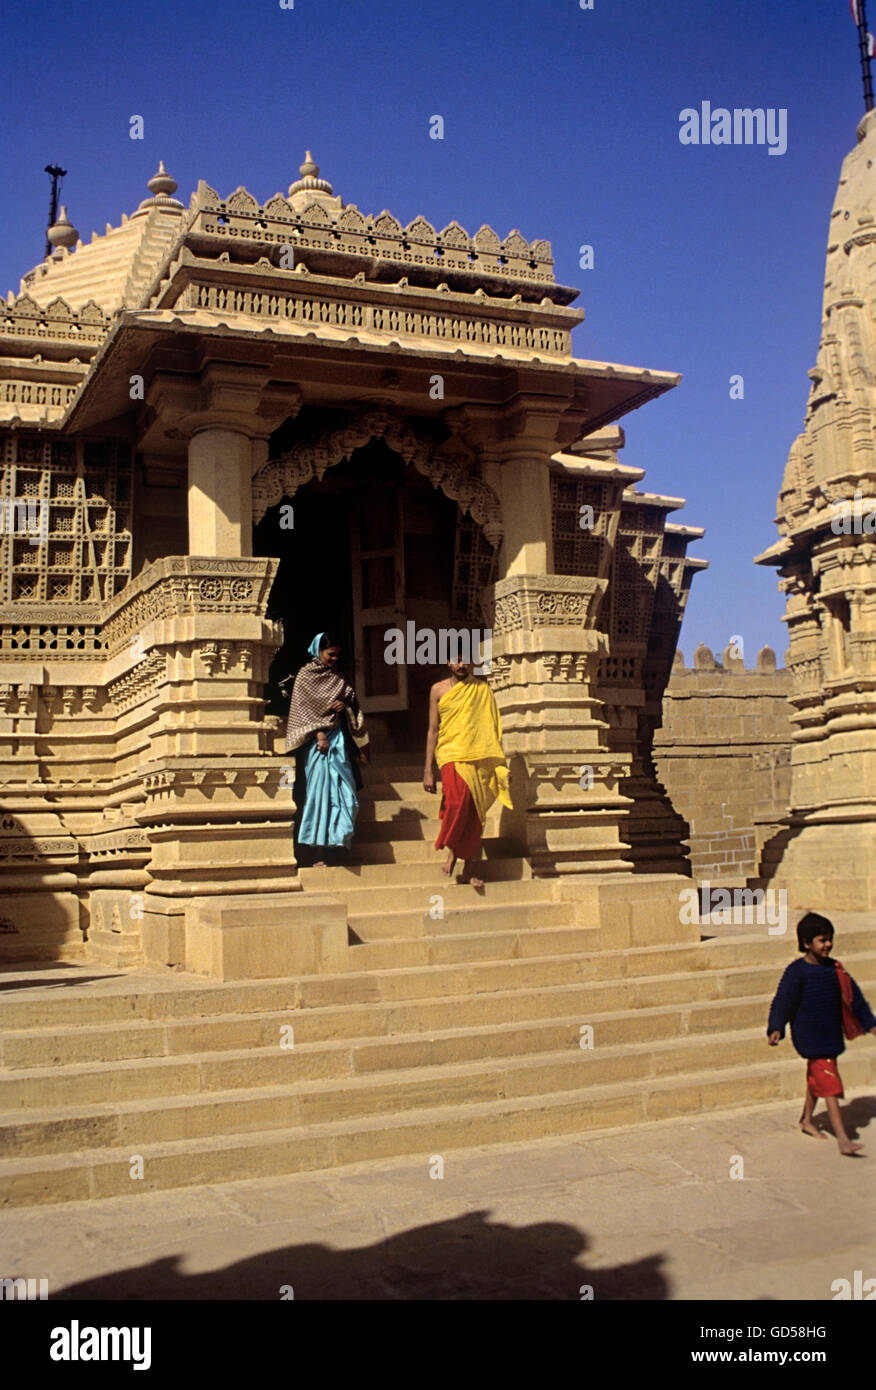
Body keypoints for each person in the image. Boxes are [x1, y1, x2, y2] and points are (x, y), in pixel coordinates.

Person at [767, 911, 876, 1155]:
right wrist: (776, 1027)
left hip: (830, 1034)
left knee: (817, 1078)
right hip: (810, 1035)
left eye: (829, 939)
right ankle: (843, 1139)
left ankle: (806, 1120)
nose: (827, 944)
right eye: (821, 940)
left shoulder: (835, 969)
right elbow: (783, 1001)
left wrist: (870, 1023)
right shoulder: (797, 972)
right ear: (806, 943)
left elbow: (854, 999)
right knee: (829, 1083)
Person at [423, 657, 511, 889]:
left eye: (466, 661)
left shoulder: (482, 689)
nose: (461, 665)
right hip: (451, 752)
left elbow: (492, 727)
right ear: (447, 663)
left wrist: (500, 763)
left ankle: (468, 869)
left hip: (479, 754)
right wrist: (427, 770)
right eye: (455, 661)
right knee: (456, 801)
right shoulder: (438, 689)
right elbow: (433, 730)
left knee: (473, 811)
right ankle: (452, 850)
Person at [283, 632, 369, 866]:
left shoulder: (338, 677)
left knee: (343, 796)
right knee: (320, 798)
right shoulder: (304, 675)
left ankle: (340, 848)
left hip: (338, 742)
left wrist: (345, 707)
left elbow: (353, 705)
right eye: (330, 654)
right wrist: (319, 734)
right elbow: (302, 712)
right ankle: (318, 855)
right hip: (316, 746)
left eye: (337, 655)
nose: (334, 659)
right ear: (318, 651)